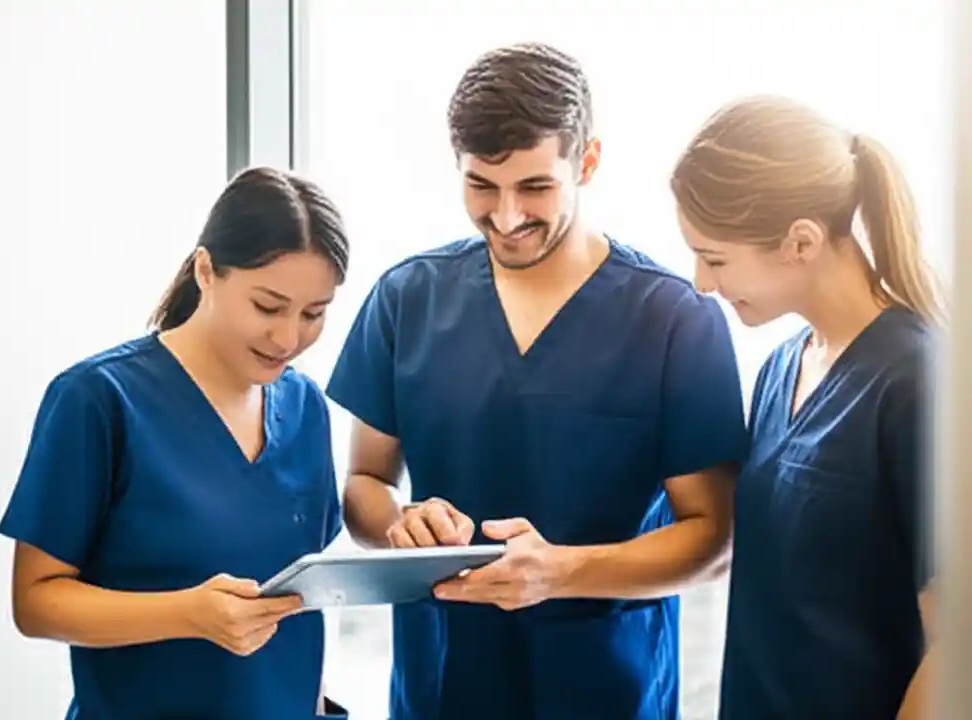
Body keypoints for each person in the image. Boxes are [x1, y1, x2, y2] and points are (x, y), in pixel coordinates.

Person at [325, 41, 750, 720]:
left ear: (587, 161)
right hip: (443, 685)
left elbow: (713, 538)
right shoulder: (407, 299)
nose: (506, 215)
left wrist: (561, 572)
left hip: (608, 688)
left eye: (535, 187)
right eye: (481, 186)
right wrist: (402, 522)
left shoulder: (676, 318)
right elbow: (364, 486)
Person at [0, 166, 351, 719]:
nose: (288, 338)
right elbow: (36, 601)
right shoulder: (98, 399)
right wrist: (188, 614)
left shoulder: (305, 408)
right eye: (267, 306)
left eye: (314, 314)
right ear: (206, 270)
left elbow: (304, 600)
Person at [671, 95, 942, 720]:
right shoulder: (779, 371)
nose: (701, 283)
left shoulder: (917, 382)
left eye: (714, 258)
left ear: (800, 242)